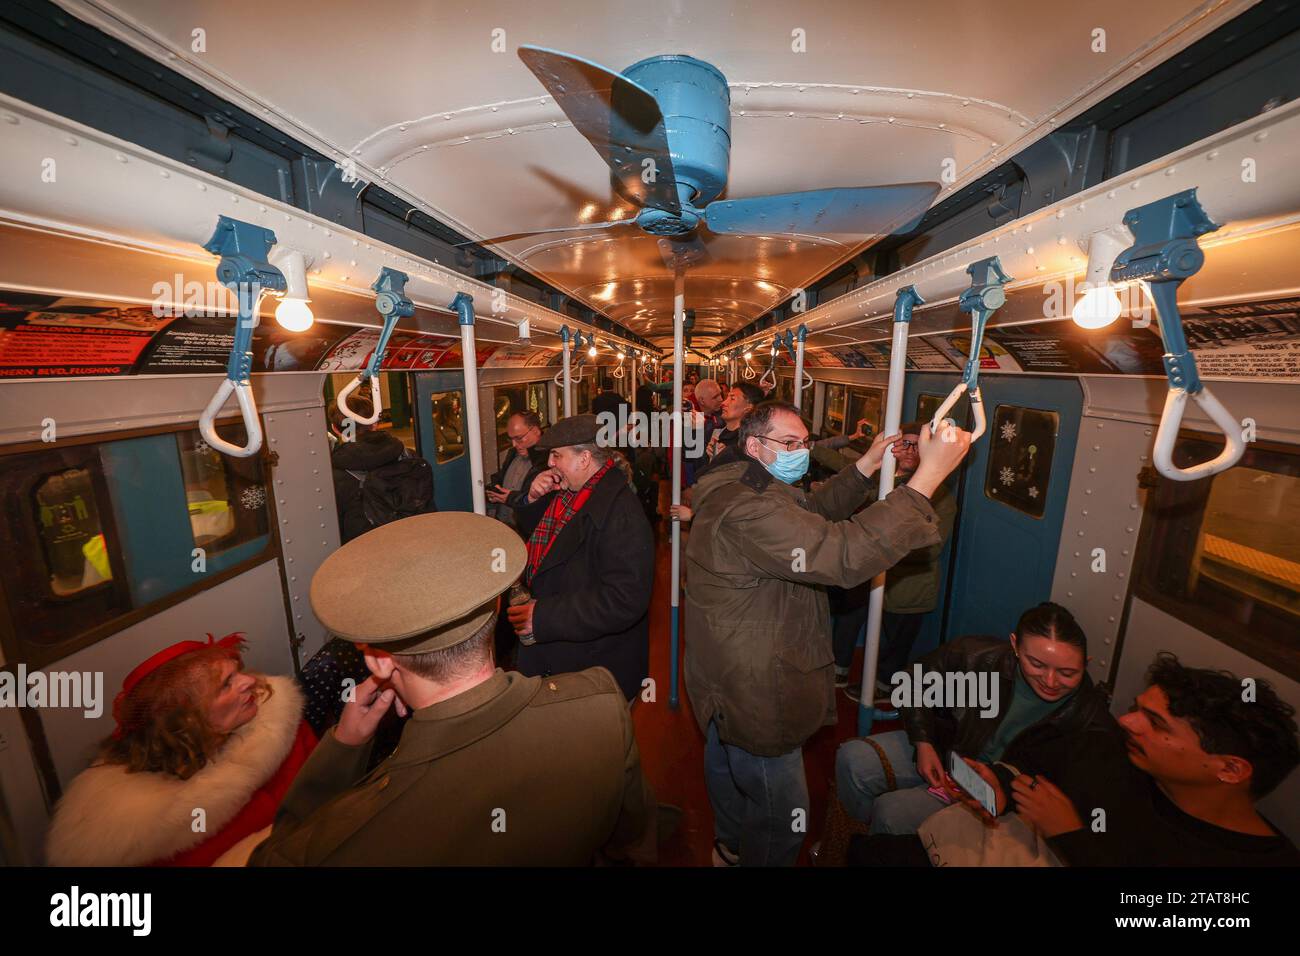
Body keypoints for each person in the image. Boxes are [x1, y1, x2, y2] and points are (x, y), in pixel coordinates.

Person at [248, 512, 652, 865]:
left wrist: (344, 747)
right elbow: (629, 841)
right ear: (496, 609)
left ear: (379, 661)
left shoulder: (351, 835)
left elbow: (280, 850)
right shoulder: (600, 705)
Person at [684, 400, 971, 866]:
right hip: (755, 685)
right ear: (755, 445)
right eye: (790, 444)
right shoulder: (748, 510)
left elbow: (808, 510)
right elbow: (840, 554)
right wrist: (924, 483)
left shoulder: (745, 481)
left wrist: (865, 466)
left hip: (726, 673)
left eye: (804, 443)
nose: (802, 452)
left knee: (727, 765)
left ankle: (731, 845)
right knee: (783, 809)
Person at [834, 602, 1126, 840]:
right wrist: (923, 742)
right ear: (1014, 645)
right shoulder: (979, 657)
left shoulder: (1089, 722)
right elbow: (914, 679)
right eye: (1036, 664)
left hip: (1001, 796)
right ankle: (853, 840)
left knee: (892, 811)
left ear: (1086, 663)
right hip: (951, 753)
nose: (1050, 681)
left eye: (1067, 672)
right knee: (852, 758)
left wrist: (993, 791)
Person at [46, 633, 317, 866]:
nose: (248, 681)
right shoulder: (140, 832)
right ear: (187, 720)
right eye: (226, 684)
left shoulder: (280, 724)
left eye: (237, 672)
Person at [1028, 653, 1300, 866]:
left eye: (1156, 723)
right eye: (1138, 709)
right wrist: (998, 787)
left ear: (1229, 769)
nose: (1126, 721)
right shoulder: (1113, 755)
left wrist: (1071, 839)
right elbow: (1025, 769)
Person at [511, 414, 655, 701]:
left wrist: (542, 616)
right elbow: (547, 541)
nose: (550, 464)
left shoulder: (620, 513)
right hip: (567, 652)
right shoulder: (573, 494)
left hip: (593, 666)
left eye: (556, 455)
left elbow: (624, 599)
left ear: (585, 458)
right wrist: (533, 498)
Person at [829, 421, 959, 694]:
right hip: (872, 575)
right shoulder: (884, 479)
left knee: (896, 642)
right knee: (849, 616)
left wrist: (876, 546)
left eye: (917, 445)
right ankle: (838, 669)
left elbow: (930, 548)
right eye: (904, 444)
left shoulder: (941, 497)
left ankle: (883, 688)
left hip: (908, 585)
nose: (911, 451)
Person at [330, 393, 434, 544]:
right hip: (414, 540)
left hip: (367, 553)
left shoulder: (335, 476)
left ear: (336, 429)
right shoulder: (408, 456)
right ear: (375, 423)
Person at [485, 411, 548, 537]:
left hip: (526, 531)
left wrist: (510, 498)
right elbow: (501, 476)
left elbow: (539, 501)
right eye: (511, 439)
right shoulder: (513, 453)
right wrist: (493, 488)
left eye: (519, 438)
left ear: (535, 431)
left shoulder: (548, 459)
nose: (514, 444)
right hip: (504, 524)